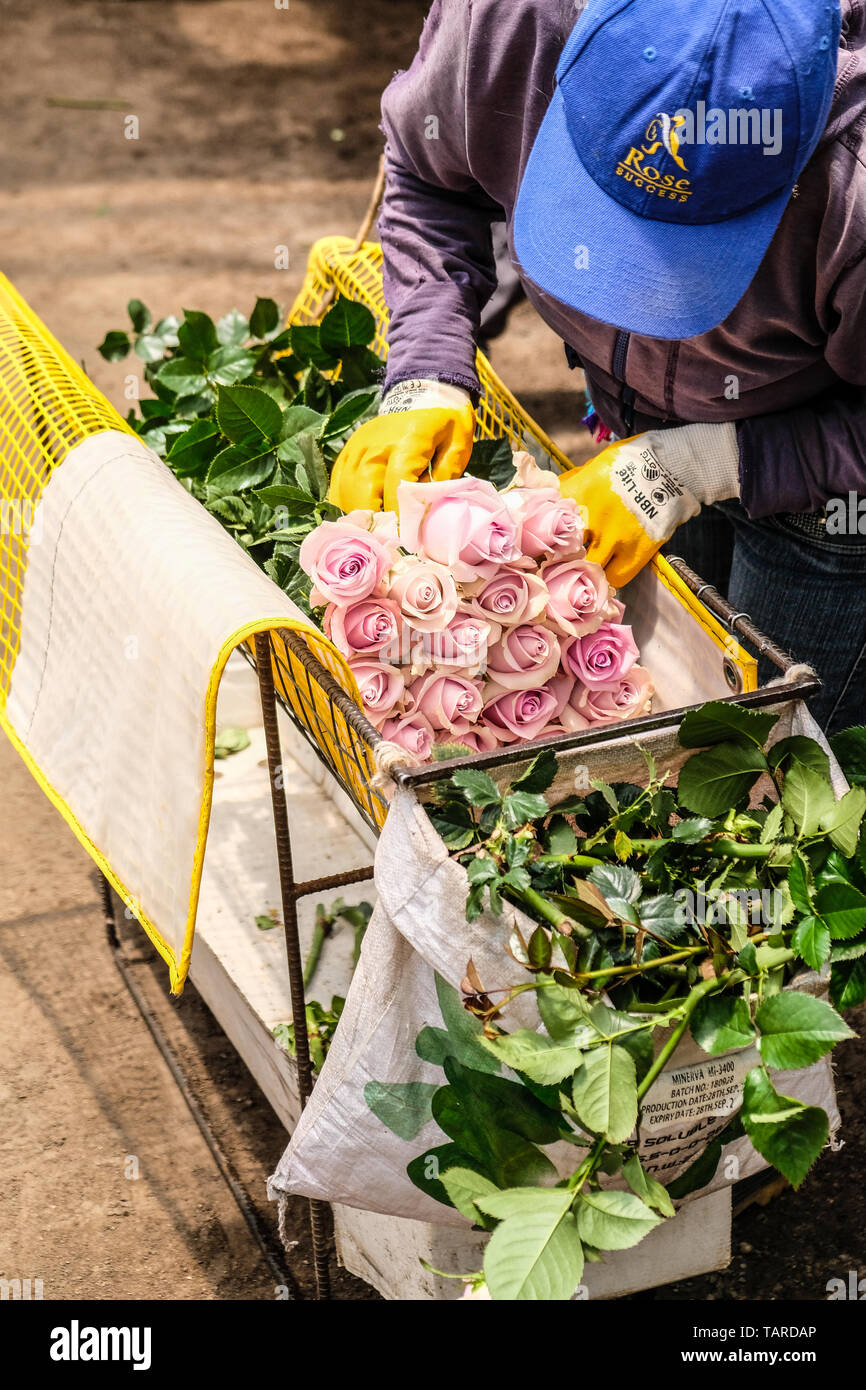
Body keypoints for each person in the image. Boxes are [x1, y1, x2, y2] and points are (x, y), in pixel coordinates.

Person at [329, 0, 866, 734]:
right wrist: (430, 365)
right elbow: (429, 173)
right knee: (664, 721)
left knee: (774, 770)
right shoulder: (512, 21)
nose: (637, 294)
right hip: (628, 416)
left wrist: (696, 466)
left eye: (687, 256)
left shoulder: (856, 179)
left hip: (832, 496)